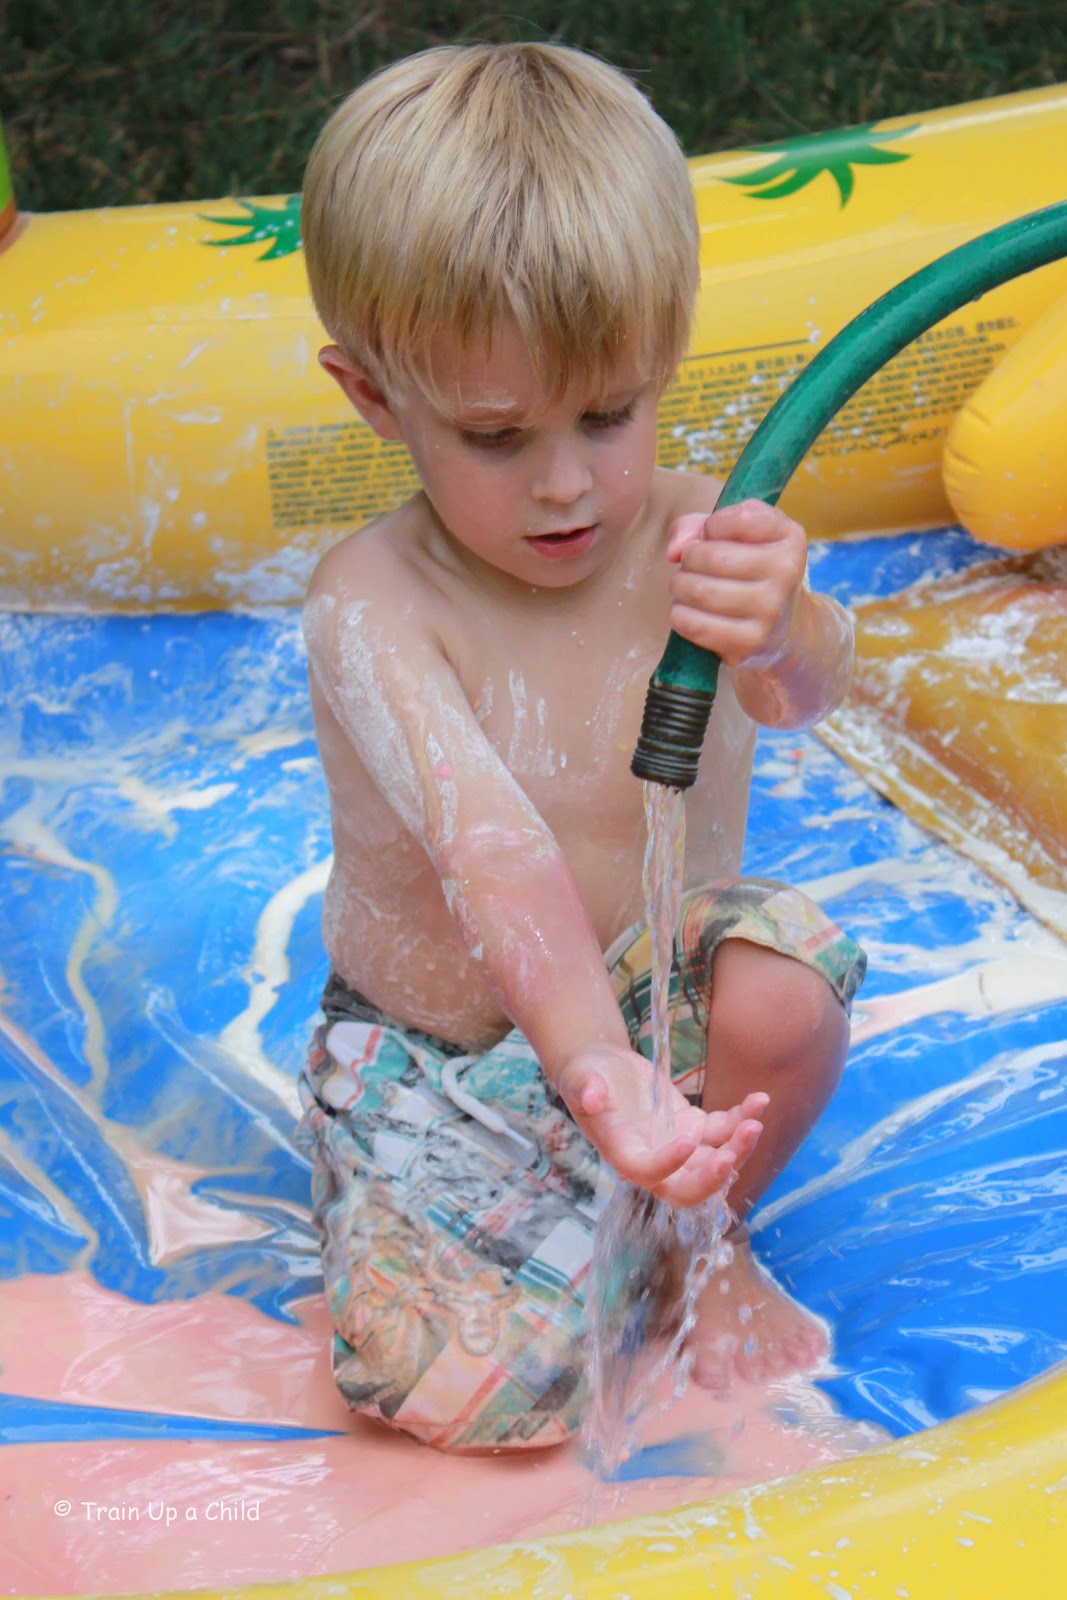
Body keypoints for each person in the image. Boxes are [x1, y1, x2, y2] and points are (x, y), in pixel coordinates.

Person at [295, 40, 866, 1454]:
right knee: (465, 1398)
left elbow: (814, 696)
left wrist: (785, 624)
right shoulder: (376, 603)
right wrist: (594, 1077)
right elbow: (494, 857)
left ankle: (697, 1242)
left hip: (653, 1011)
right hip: (441, 1060)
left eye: (609, 414)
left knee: (785, 984)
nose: (566, 483)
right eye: (496, 435)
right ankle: (589, 1213)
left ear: (664, 360)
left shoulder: (696, 534)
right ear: (375, 399)